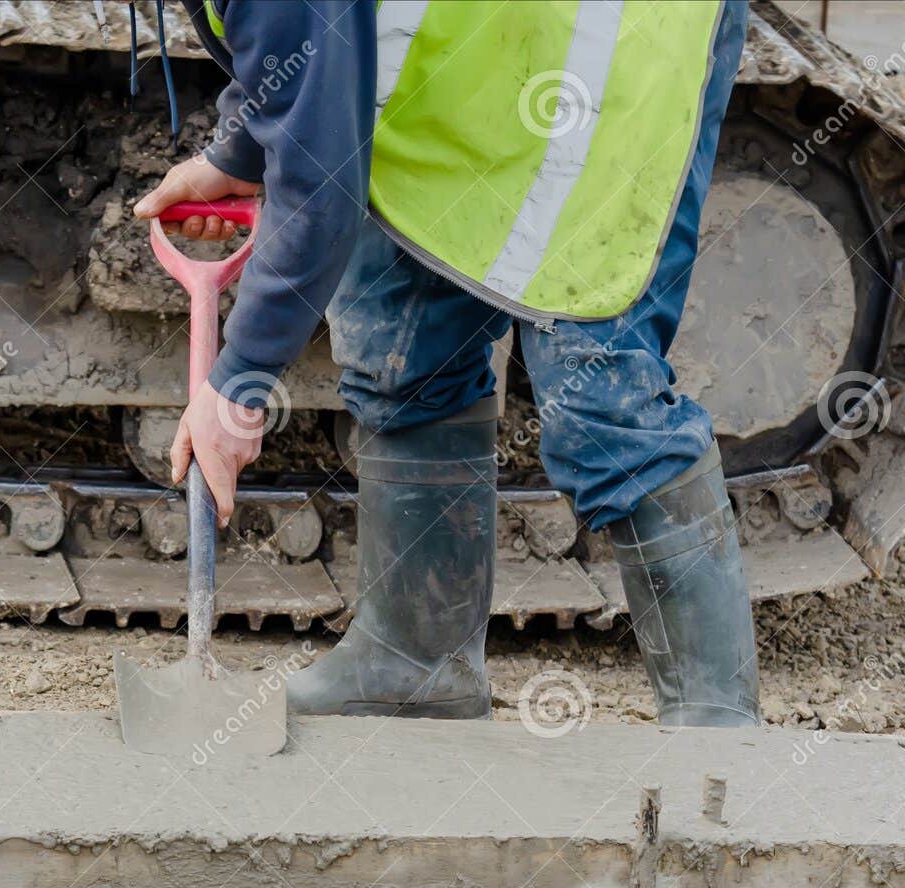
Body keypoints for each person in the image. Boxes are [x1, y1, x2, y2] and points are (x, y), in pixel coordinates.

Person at [132, 0, 759, 727]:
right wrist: (238, 152)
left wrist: (240, 378)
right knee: (400, 345)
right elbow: (307, 42)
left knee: (600, 397)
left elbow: (321, 182)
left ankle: (719, 748)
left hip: (610, 51)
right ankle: (414, 663)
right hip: (476, 53)